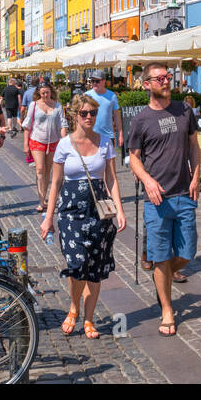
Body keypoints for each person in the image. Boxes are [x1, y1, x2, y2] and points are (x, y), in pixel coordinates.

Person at [40, 93, 126, 338]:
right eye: (84, 113)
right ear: (75, 115)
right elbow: (55, 184)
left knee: (95, 268)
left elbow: (110, 179)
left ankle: (89, 319)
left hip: (99, 211)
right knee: (77, 264)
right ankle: (74, 308)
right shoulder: (64, 144)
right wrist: (48, 218)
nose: (89, 117)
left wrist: (119, 209)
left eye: (93, 113)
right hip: (71, 212)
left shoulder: (105, 142)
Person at [127, 62, 200, 337]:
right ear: (146, 84)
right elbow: (134, 158)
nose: (166, 82)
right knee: (159, 256)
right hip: (156, 199)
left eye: (168, 77)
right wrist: (147, 180)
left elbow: (193, 144)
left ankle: (163, 279)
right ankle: (167, 309)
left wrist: (196, 175)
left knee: (186, 253)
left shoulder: (184, 110)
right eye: (159, 78)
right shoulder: (141, 120)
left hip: (184, 192)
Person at [25, 83, 66, 213]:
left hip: (53, 142)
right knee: (40, 169)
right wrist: (25, 145)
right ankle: (41, 201)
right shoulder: (34, 105)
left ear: (51, 92)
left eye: (47, 92)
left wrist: (64, 140)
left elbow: (63, 124)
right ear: (39, 93)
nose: (45, 95)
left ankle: (47, 197)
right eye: (42, 93)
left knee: (48, 171)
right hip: (37, 140)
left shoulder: (57, 105)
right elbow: (27, 126)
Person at [85, 70, 123, 163]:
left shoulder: (111, 95)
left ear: (104, 81)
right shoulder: (87, 95)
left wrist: (120, 134)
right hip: (90, 135)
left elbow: (116, 115)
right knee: (92, 164)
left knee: (109, 165)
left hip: (108, 135)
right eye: (92, 81)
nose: (94, 83)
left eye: (97, 81)